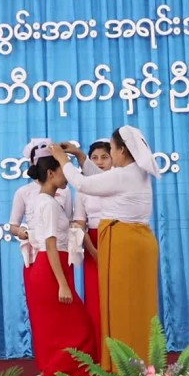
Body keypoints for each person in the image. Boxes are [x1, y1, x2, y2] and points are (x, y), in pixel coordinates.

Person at [49, 126, 161, 372]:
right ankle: (138, 366)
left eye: (111, 149)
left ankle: (127, 368)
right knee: (135, 307)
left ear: (122, 150)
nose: (110, 153)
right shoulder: (134, 173)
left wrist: (61, 159)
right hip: (133, 242)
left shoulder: (124, 175)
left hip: (125, 243)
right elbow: (96, 179)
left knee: (122, 307)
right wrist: (80, 156)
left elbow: (82, 183)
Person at [26, 144, 95, 376]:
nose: (67, 175)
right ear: (52, 174)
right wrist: (64, 284)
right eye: (63, 170)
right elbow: (50, 245)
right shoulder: (48, 204)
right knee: (81, 331)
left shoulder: (45, 201)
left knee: (62, 332)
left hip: (52, 270)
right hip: (52, 272)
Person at [8, 138, 73, 376]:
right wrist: (23, 232)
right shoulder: (24, 192)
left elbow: (67, 223)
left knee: (62, 316)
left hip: (60, 256)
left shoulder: (64, 192)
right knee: (44, 316)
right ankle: (48, 366)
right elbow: (13, 225)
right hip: (40, 257)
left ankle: (66, 366)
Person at [71, 139, 112, 363]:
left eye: (104, 157)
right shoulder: (83, 189)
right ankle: (99, 360)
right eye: (94, 158)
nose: (99, 162)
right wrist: (94, 251)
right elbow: (79, 224)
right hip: (92, 245)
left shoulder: (119, 184)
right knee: (97, 305)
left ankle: (124, 361)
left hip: (118, 241)